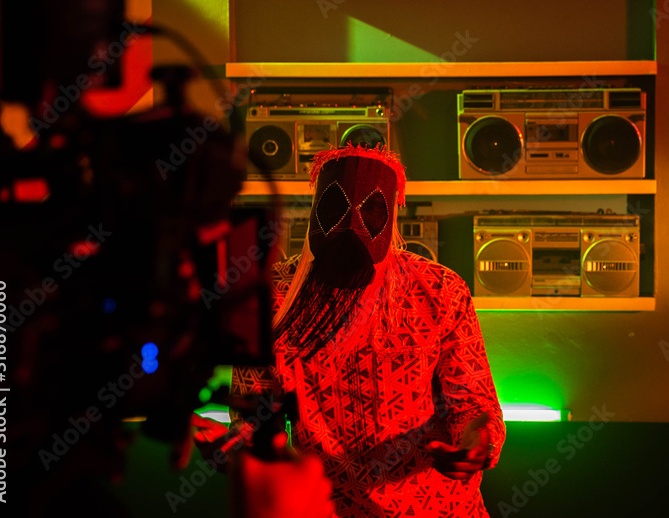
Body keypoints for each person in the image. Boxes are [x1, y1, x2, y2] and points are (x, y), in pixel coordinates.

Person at [198, 144, 505, 517]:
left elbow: (472, 403)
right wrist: (232, 445)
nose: (351, 225)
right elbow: (257, 418)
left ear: (390, 218)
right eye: (335, 207)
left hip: (439, 508)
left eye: (371, 210)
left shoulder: (438, 290)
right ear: (315, 210)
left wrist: (477, 445)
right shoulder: (274, 295)